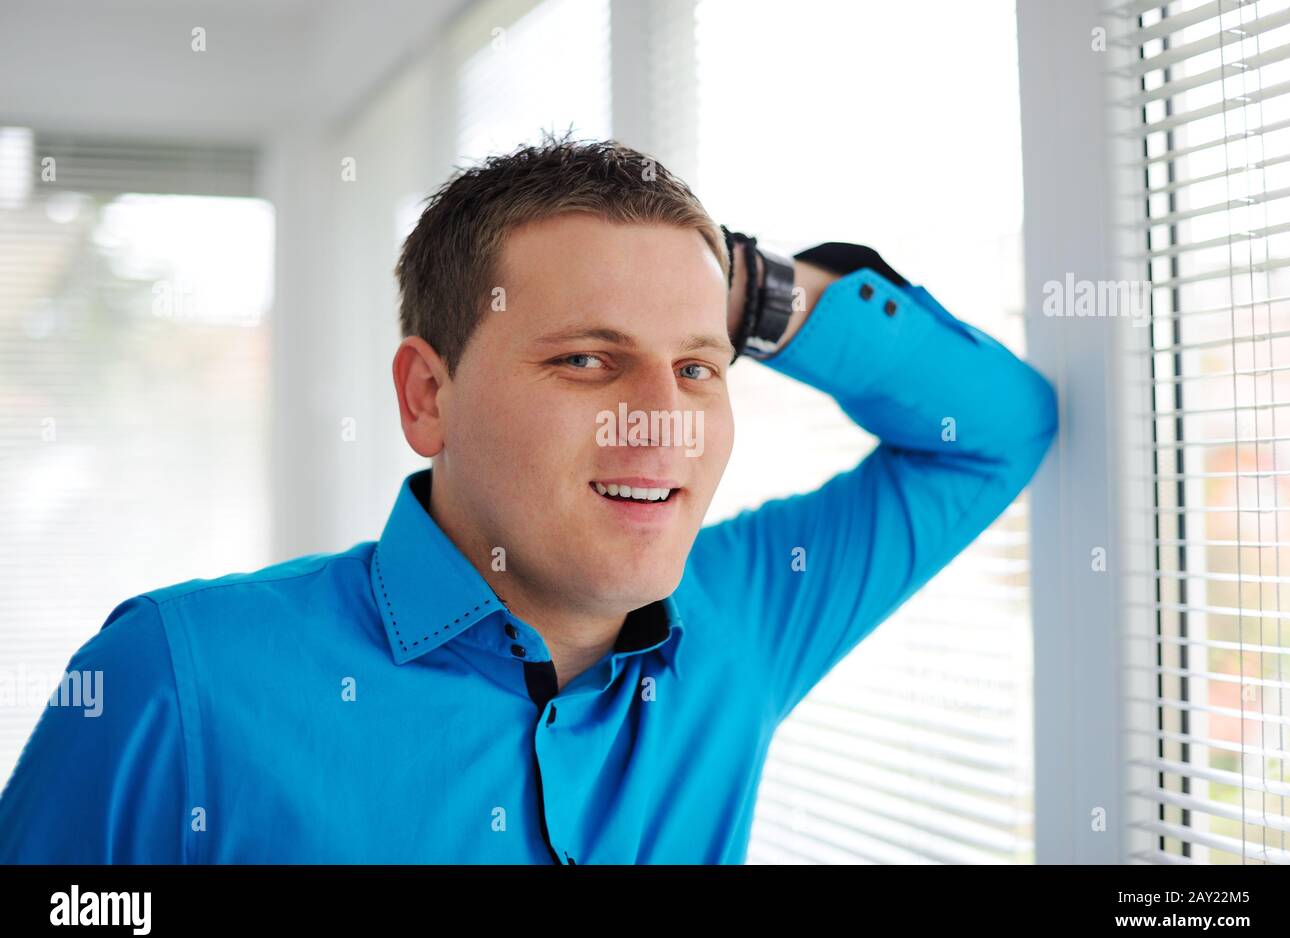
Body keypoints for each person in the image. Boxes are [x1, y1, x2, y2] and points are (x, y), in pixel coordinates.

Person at [0, 134, 1058, 863]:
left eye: (697, 367)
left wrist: (737, 285)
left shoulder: (740, 624)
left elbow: (991, 431)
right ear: (428, 394)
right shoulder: (176, 684)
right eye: (590, 360)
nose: (664, 420)